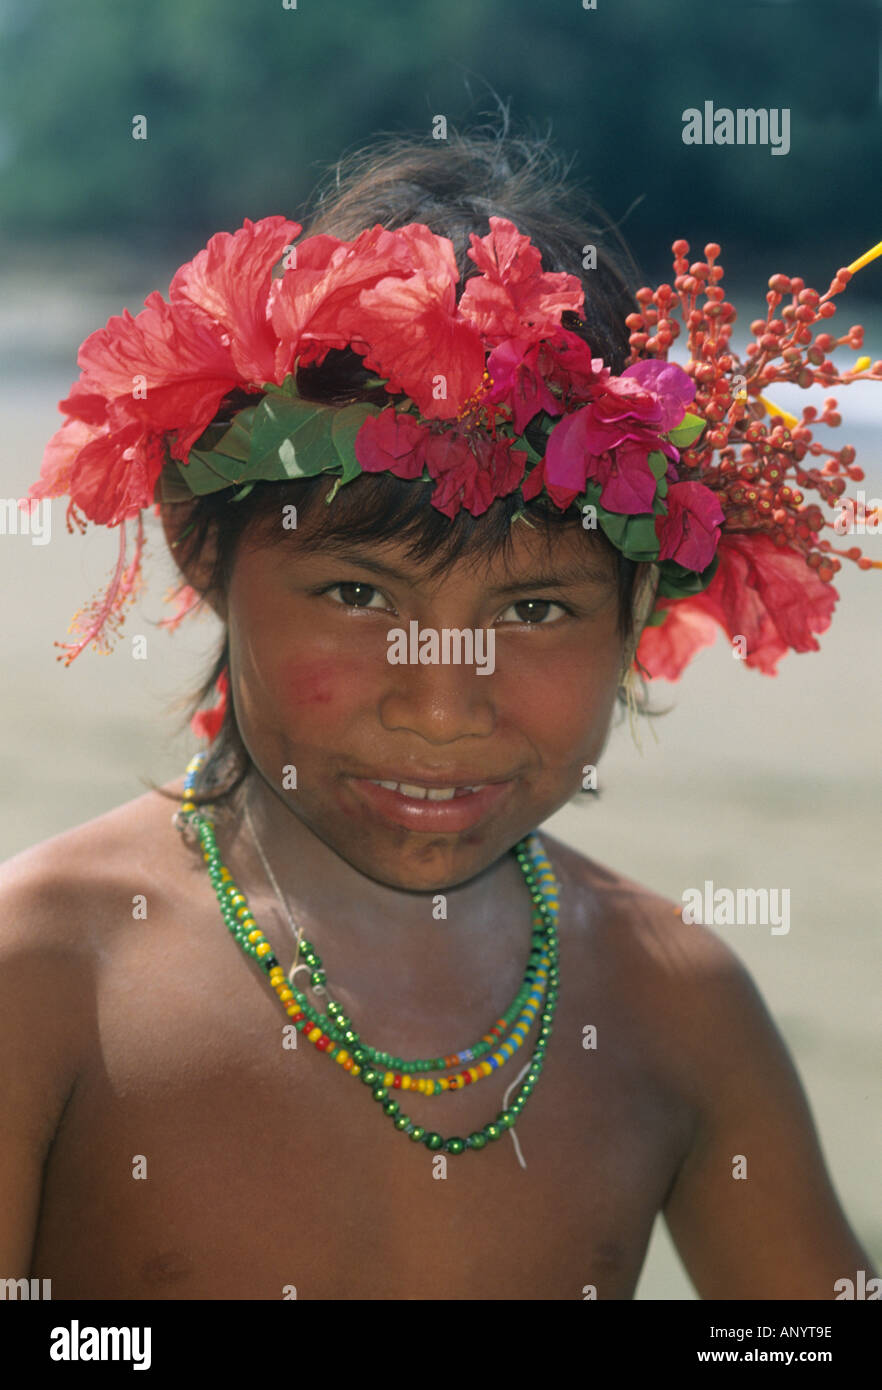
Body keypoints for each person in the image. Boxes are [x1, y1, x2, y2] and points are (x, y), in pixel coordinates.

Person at [1, 128, 878, 1300]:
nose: (441, 702)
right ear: (202, 550)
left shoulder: (675, 1001)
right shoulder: (47, 974)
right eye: (357, 594)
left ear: (640, 610)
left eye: (535, 609)